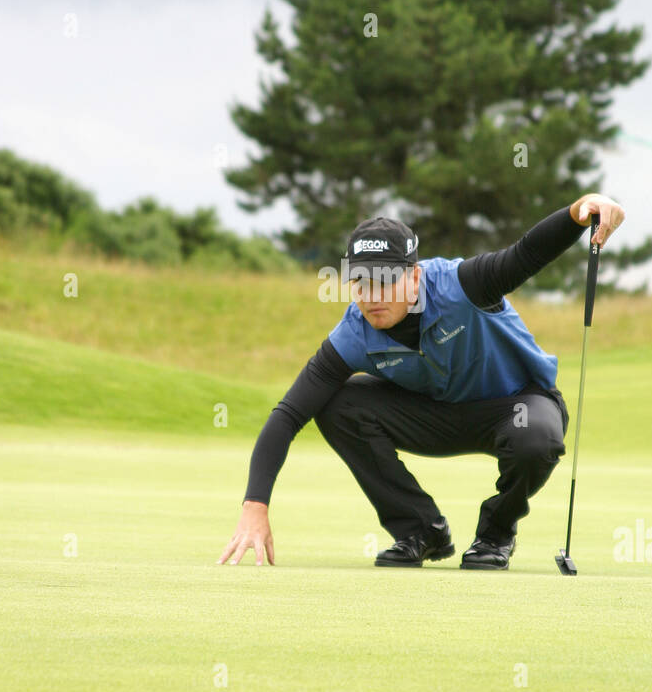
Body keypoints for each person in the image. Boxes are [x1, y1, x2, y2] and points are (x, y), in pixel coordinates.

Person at [218, 194, 624, 570]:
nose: (371, 295)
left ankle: (496, 534)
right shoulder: (354, 333)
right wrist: (255, 505)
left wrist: (577, 214)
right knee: (338, 404)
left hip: (514, 408)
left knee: (536, 437)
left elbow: (525, 255)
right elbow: (289, 414)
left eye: (384, 281)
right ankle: (421, 531)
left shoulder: (462, 285)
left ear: (414, 277)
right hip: (434, 418)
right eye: (360, 282)